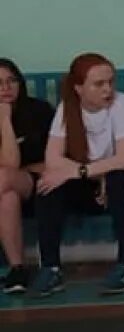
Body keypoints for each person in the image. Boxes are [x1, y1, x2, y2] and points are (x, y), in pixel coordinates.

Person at [29, 53, 124, 299]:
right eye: (99, 84)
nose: (108, 89)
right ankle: (50, 269)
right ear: (78, 88)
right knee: (49, 182)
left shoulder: (122, 104)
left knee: (119, 179)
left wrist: (83, 172)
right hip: (95, 185)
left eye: (111, 82)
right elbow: (53, 159)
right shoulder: (67, 109)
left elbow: (123, 161)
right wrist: (93, 177)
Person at [0, 58, 55, 295]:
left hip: (41, 187)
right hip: (7, 192)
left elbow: (57, 157)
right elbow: (8, 167)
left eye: (11, 80)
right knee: (7, 196)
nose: (6, 88)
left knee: (3, 178)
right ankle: (18, 269)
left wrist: (4, 119)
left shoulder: (39, 111)